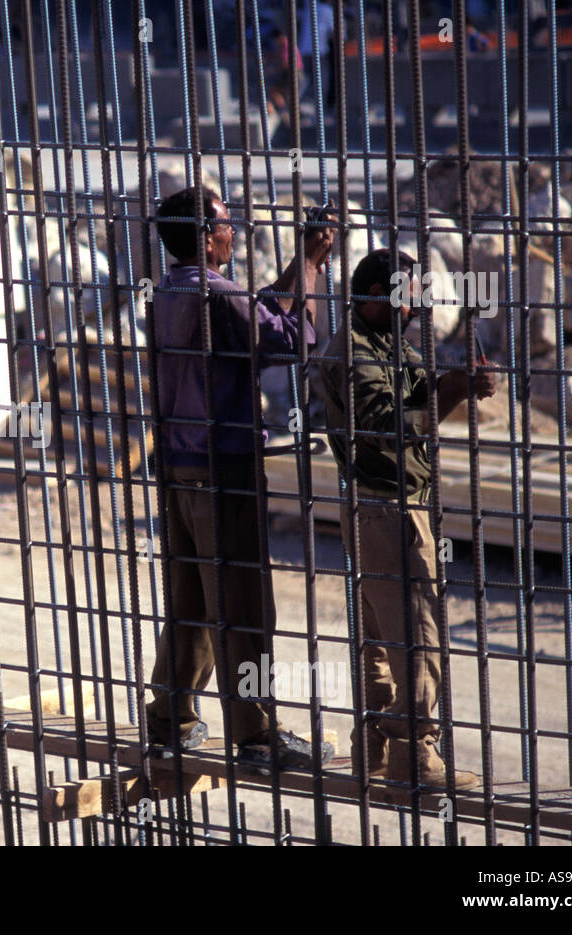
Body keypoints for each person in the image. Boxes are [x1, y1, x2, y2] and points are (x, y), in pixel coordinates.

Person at [146, 185, 335, 770]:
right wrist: (309, 265)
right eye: (227, 224)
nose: (234, 232)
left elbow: (256, 313)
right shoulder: (218, 297)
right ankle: (256, 736)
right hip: (225, 470)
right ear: (206, 236)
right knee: (246, 609)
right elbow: (292, 337)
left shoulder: (167, 293)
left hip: (179, 472)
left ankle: (169, 718)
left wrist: (297, 265)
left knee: (193, 600)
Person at [319, 248, 496, 790]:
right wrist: (452, 391)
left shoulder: (390, 341)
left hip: (389, 504)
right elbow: (391, 428)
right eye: (407, 294)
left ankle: (373, 750)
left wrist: (455, 379)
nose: (417, 306)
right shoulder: (352, 354)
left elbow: (418, 393)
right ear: (376, 294)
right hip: (386, 507)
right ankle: (415, 755)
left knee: (380, 636)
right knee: (420, 636)